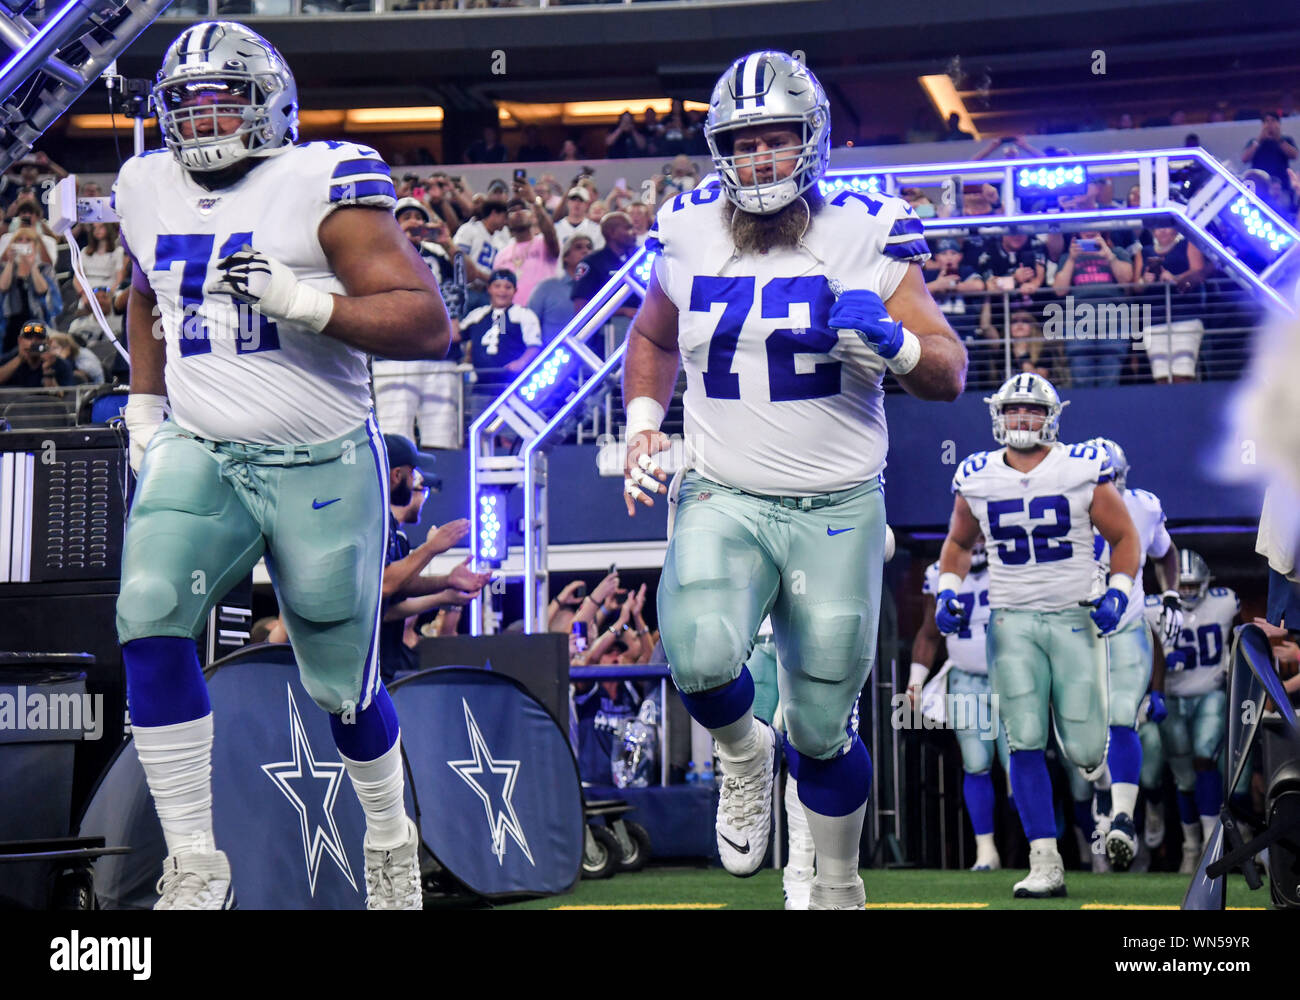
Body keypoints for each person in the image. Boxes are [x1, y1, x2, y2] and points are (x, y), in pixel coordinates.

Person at [112, 22, 451, 910]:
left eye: (222, 97)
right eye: (186, 101)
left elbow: (425, 321)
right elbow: (147, 286)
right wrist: (146, 409)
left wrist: (303, 302)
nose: (202, 117)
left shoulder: (322, 181)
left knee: (342, 684)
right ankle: (194, 862)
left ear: (267, 104)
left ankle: (387, 834)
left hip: (322, 456)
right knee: (147, 614)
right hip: (203, 444)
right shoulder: (145, 181)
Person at [621, 50, 966, 910]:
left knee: (819, 729)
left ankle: (839, 883)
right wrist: (640, 424)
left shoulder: (867, 227)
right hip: (723, 488)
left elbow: (950, 372)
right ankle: (741, 752)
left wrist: (897, 346)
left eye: (777, 140)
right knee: (698, 656)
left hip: (839, 502)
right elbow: (654, 339)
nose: (760, 160)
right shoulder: (688, 227)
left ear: (812, 142)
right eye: (744, 142)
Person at [938, 373, 1139, 898]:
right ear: (996, 415)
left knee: (1088, 748)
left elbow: (1124, 536)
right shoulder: (976, 474)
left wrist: (1118, 588)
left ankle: (1107, 800)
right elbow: (958, 544)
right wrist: (947, 591)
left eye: (1031, 410)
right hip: (1012, 622)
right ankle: (1044, 862)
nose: (1021, 420)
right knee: (1023, 740)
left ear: (1051, 416)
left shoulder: (1081, 466)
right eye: (1013, 410)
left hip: (1074, 617)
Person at [1079, 437, 1181, 870]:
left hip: (1126, 625)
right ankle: (1103, 786)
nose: (1105, 488)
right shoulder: (1058, 503)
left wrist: (1172, 594)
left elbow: (1166, 551)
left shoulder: (1143, 506)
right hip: (1075, 632)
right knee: (1080, 733)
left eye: (1111, 480)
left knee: (1123, 716)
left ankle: (1123, 816)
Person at [908, 537, 1010, 871]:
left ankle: (1041, 846)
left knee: (1021, 761)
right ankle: (986, 851)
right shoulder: (939, 573)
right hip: (965, 678)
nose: (979, 542)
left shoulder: (1010, 563)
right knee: (976, 762)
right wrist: (915, 681)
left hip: (1012, 676)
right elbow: (929, 632)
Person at [1144, 549, 1239, 873]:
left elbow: (1240, 637)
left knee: (1204, 757)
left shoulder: (1225, 601)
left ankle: (1213, 841)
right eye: (1181, 585)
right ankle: (1190, 846)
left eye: (1192, 584)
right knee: (1184, 779)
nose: (1185, 591)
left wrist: (1231, 665)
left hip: (1209, 693)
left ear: (1205, 582)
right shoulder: (1151, 608)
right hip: (1171, 697)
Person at [378, 434, 487, 684]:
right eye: (413, 473)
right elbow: (384, 587)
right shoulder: (374, 524)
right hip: (363, 671)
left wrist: (447, 583)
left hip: (383, 667)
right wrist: (431, 549)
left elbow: (395, 594)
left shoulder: (392, 531)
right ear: (397, 476)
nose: (418, 480)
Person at [373, 197, 465, 449]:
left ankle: (441, 486)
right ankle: (399, 488)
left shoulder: (440, 258)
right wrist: (397, 240)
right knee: (395, 436)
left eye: (419, 218)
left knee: (443, 435)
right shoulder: (378, 253)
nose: (414, 222)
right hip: (395, 355)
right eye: (406, 218)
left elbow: (462, 286)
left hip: (437, 356)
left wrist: (448, 244)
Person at [571, 211, 641, 351]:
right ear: (611, 232)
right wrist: (624, 311)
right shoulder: (591, 263)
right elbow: (581, 307)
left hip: (638, 334)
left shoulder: (639, 260)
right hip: (603, 340)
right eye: (628, 228)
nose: (634, 232)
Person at [490, 182, 560, 307]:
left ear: (532, 216)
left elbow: (551, 233)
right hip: (512, 316)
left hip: (544, 310)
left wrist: (534, 203)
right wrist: (500, 323)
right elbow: (495, 294)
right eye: (512, 211)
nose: (518, 213)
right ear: (506, 221)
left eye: (523, 209)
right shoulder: (502, 254)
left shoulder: (543, 242)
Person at [0, 225, 62, 353]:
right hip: (10, 323)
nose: (23, 243)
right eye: (19, 240)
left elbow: (43, 291)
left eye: (28, 240)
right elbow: (3, 287)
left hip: (38, 322)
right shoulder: (5, 268)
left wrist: (32, 265)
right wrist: (10, 262)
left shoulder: (45, 268)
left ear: (35, 245)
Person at [528, 233, 592, 344]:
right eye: (578, 247)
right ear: (566, 257)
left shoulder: (602, 289)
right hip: (551, 356)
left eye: (589, 247)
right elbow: (529, 323)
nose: (586, 251)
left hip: (591, 358)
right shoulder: (546, 288)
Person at [0, 320, 75, 387]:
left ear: (48, 342)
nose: (33, 342)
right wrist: (19, 359)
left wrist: (47, 370)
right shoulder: (6, 360)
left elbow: (63, 398)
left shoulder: (60, 365)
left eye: (39, 338)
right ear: (20, 340)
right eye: (28, 338)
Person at [553, 187, 604, 252]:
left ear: (587, 204)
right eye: (573, 199)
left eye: (581, 200)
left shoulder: (596, 230)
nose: (576, 203)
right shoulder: (555, 229)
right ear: (568, 202)